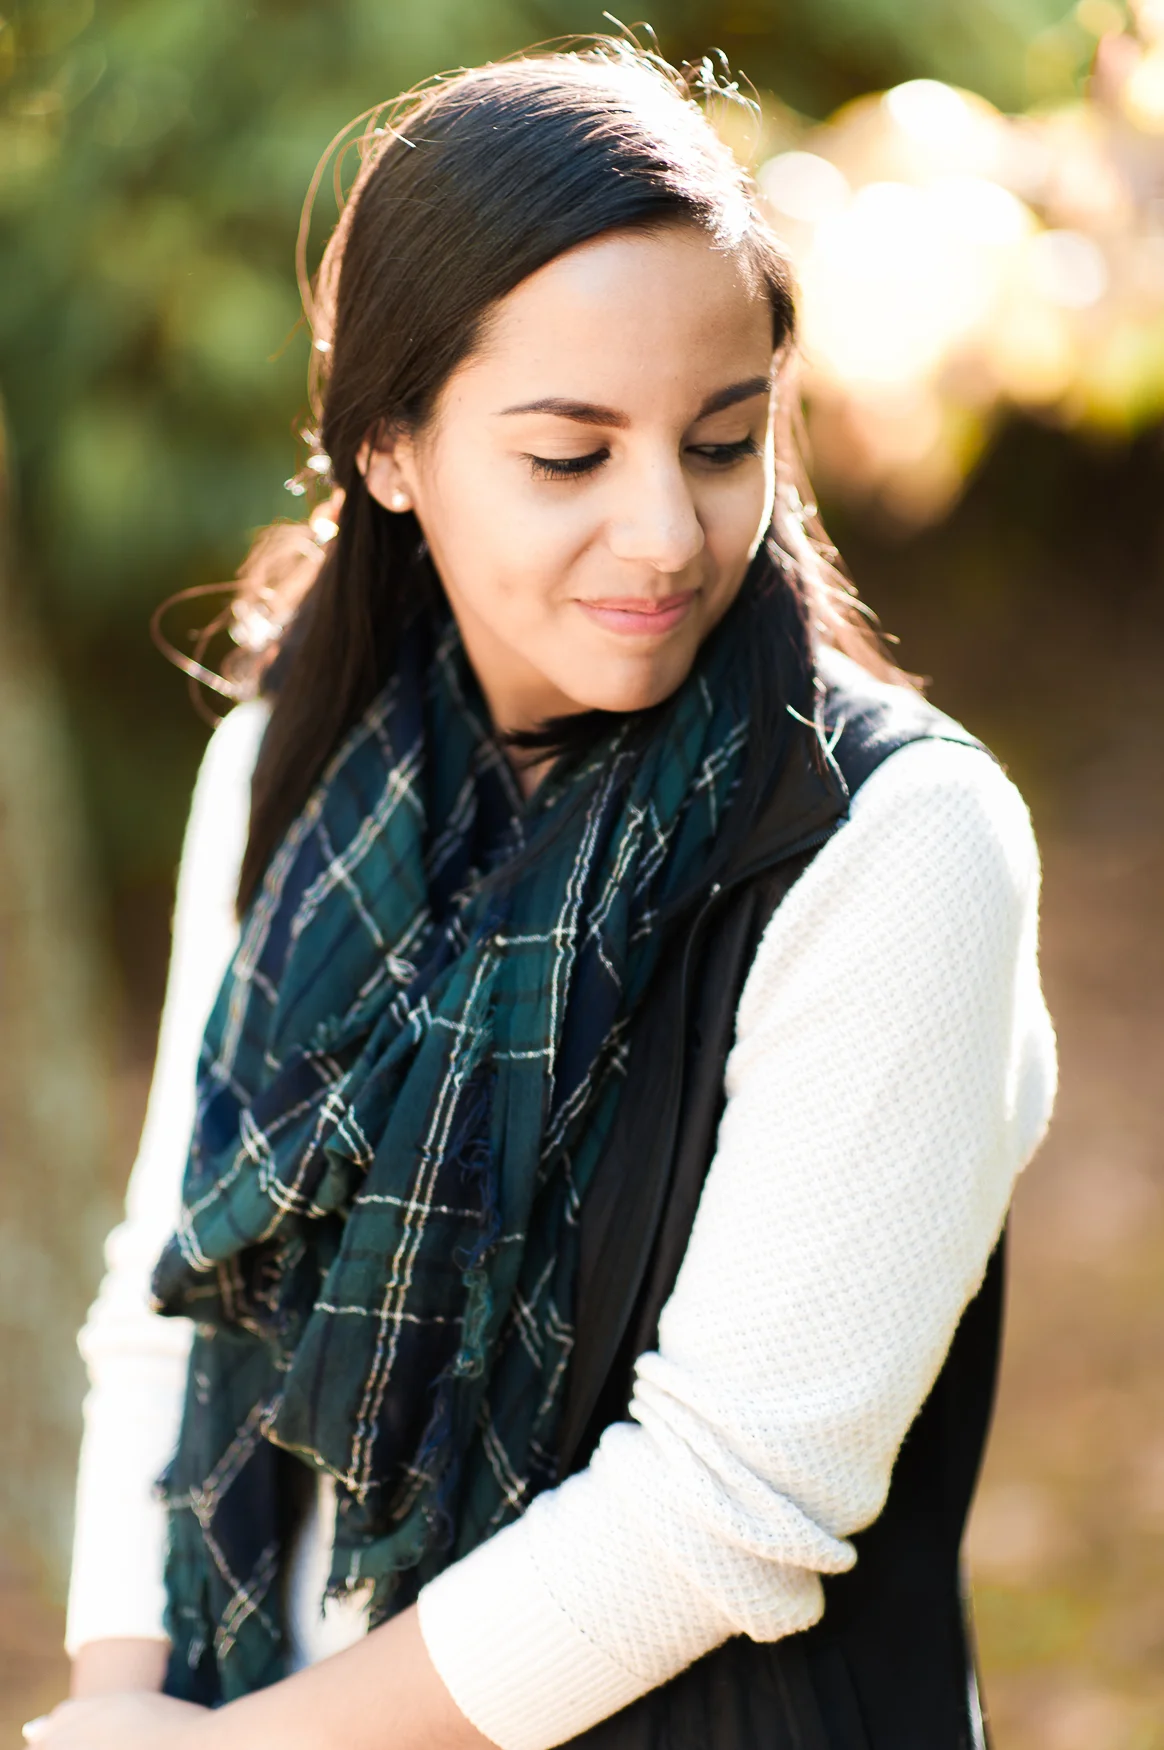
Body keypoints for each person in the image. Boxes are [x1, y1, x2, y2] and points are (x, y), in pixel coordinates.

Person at [31, 39, 1056, 1750]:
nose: (664, 531)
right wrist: (123, 1700)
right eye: (569, 457)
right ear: (390, 450)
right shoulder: (289, 766)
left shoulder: (903, 846)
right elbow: (170, 1286)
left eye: (722, 443)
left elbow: (724, 1503)